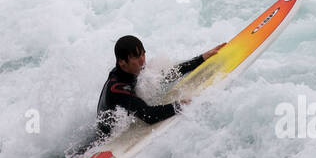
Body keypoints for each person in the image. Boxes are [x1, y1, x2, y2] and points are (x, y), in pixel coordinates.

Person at [96, 35, 226, 138]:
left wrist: (201, 58)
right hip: (106, 137)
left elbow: (169, 75)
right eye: (136, 57)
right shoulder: (117, 88)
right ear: (122, 62)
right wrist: (179, 105)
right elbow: (149, 116)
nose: (142, 60)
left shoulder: (132, 69)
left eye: (143, 54)